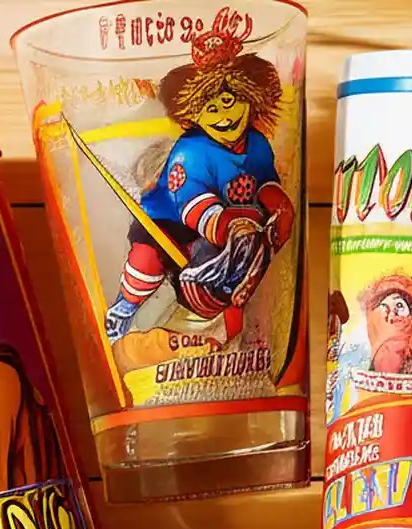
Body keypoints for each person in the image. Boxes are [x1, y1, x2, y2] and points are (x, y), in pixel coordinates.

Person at [104, 8, 295, 343]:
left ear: (251, 100)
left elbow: (265, 181)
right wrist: (224, 226)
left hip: (231, 227)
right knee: (147, 259)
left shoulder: (257, 143)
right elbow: (192, 202)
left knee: (237, 287)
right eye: (210, 108)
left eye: (229, 101)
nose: (223, 115)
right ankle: (126, 304)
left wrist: (279, 206)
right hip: (169, 221)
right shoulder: (191, 152)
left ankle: (233, 339)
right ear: (193, 113)